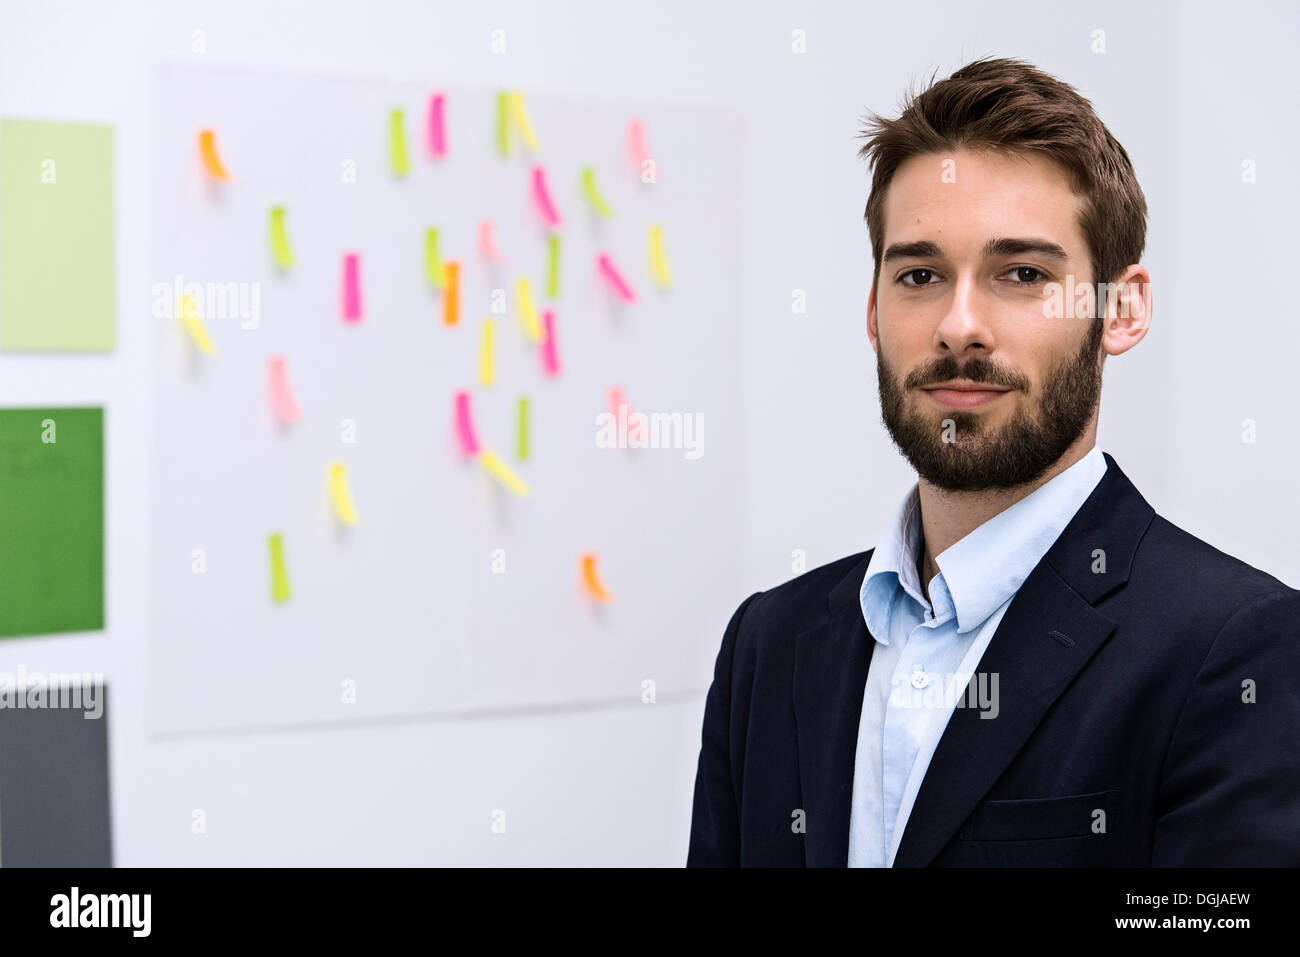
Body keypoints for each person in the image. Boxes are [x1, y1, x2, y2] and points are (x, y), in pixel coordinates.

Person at [687, 55, 1300, 867]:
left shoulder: (1236, 646)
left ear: (1121, 309)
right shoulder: (767, 641)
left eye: (1021, 273)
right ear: (873, 310)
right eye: (920, 274)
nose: (959, 324)